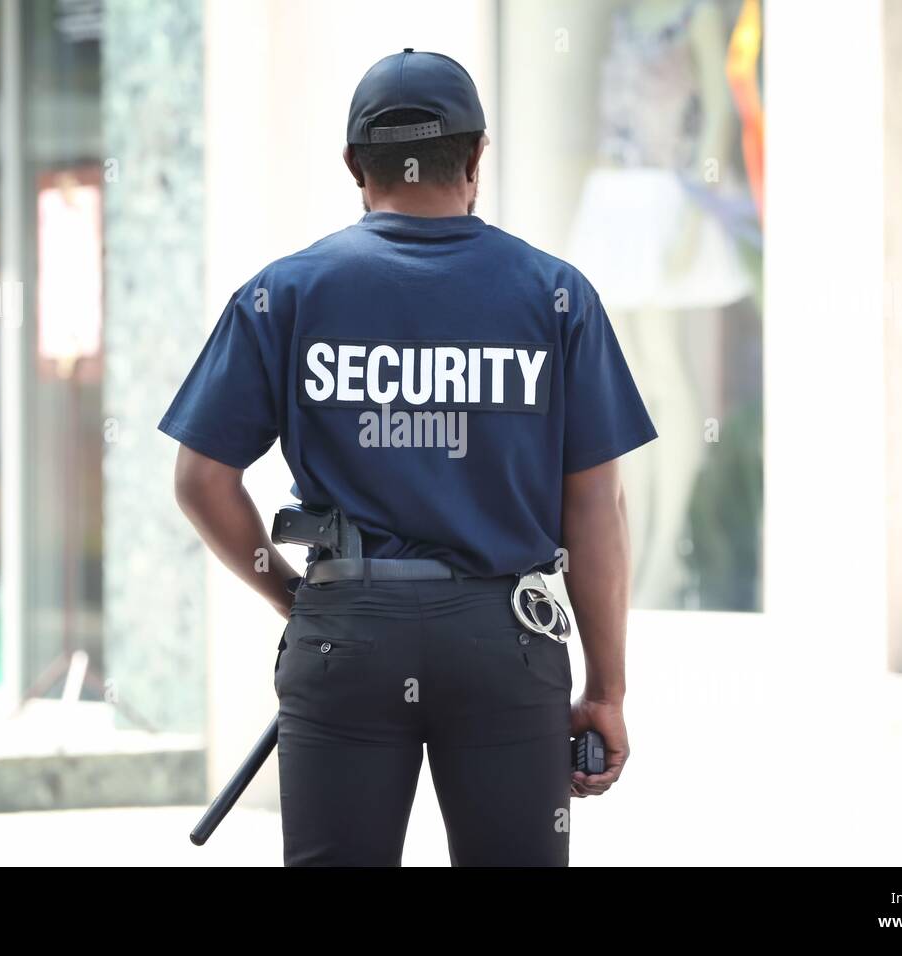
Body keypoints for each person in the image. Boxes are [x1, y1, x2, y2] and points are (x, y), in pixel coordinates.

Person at [160, 49, 657, 866]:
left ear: (355, 165)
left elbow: (200, 479)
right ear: (477, 157)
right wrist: (606, 689)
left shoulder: (282, 295)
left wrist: (299, 599)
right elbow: (594, 507)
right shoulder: (555, 295)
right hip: (505, 641)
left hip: (345, 639)